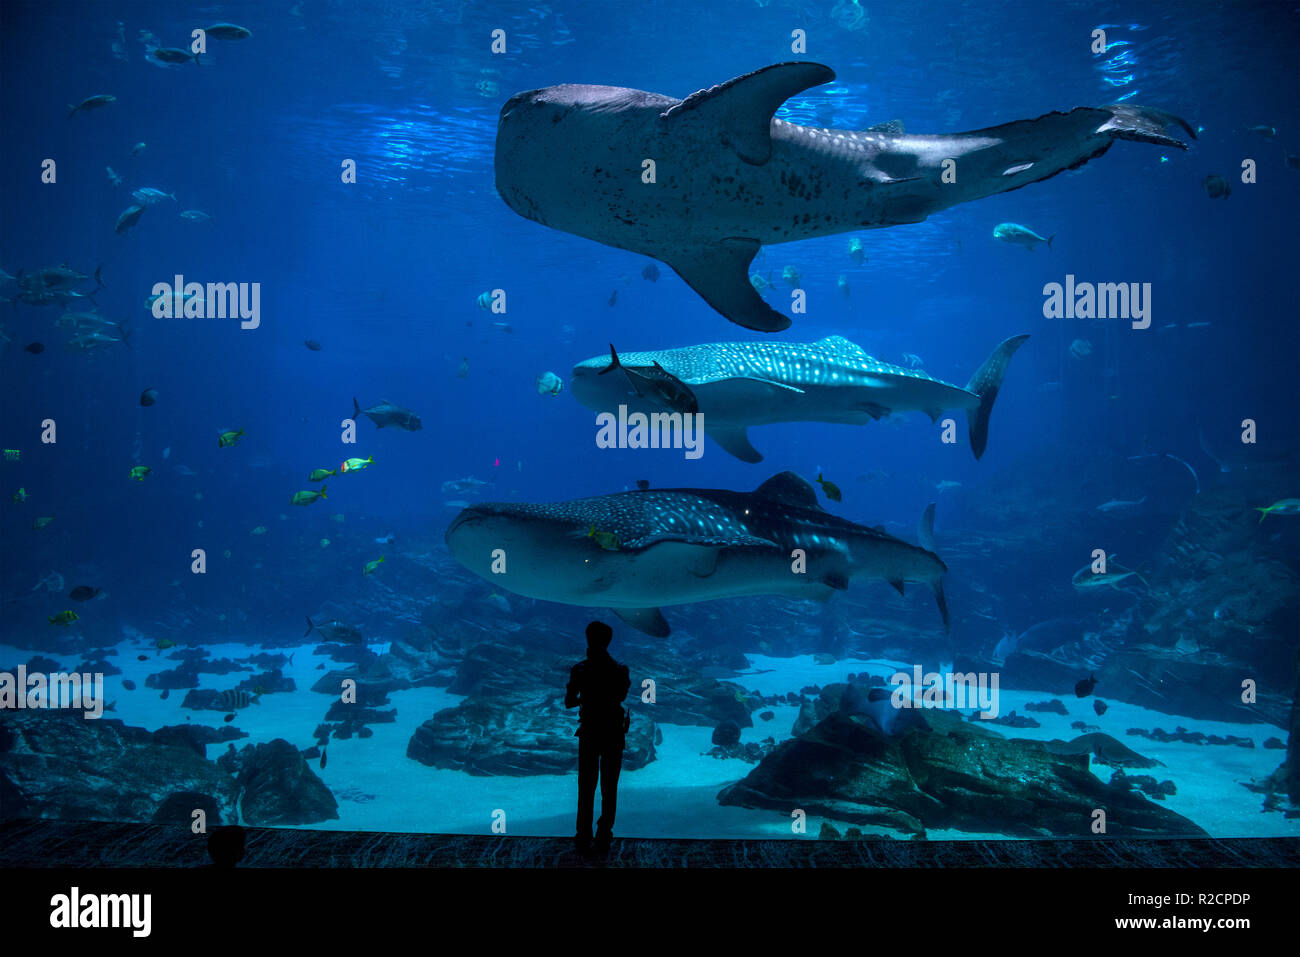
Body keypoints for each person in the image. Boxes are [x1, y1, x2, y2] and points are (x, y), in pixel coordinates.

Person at [565, 620, 631, 855]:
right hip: (613, 730)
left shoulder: (580, 669)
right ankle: (604, 833)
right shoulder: (621, 669)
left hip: (590, 731)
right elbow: (621, 696)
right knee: (609, 786)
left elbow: (569, 702)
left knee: (586, 785)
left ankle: (583, 834)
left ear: (588, 640)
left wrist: (587, 698)